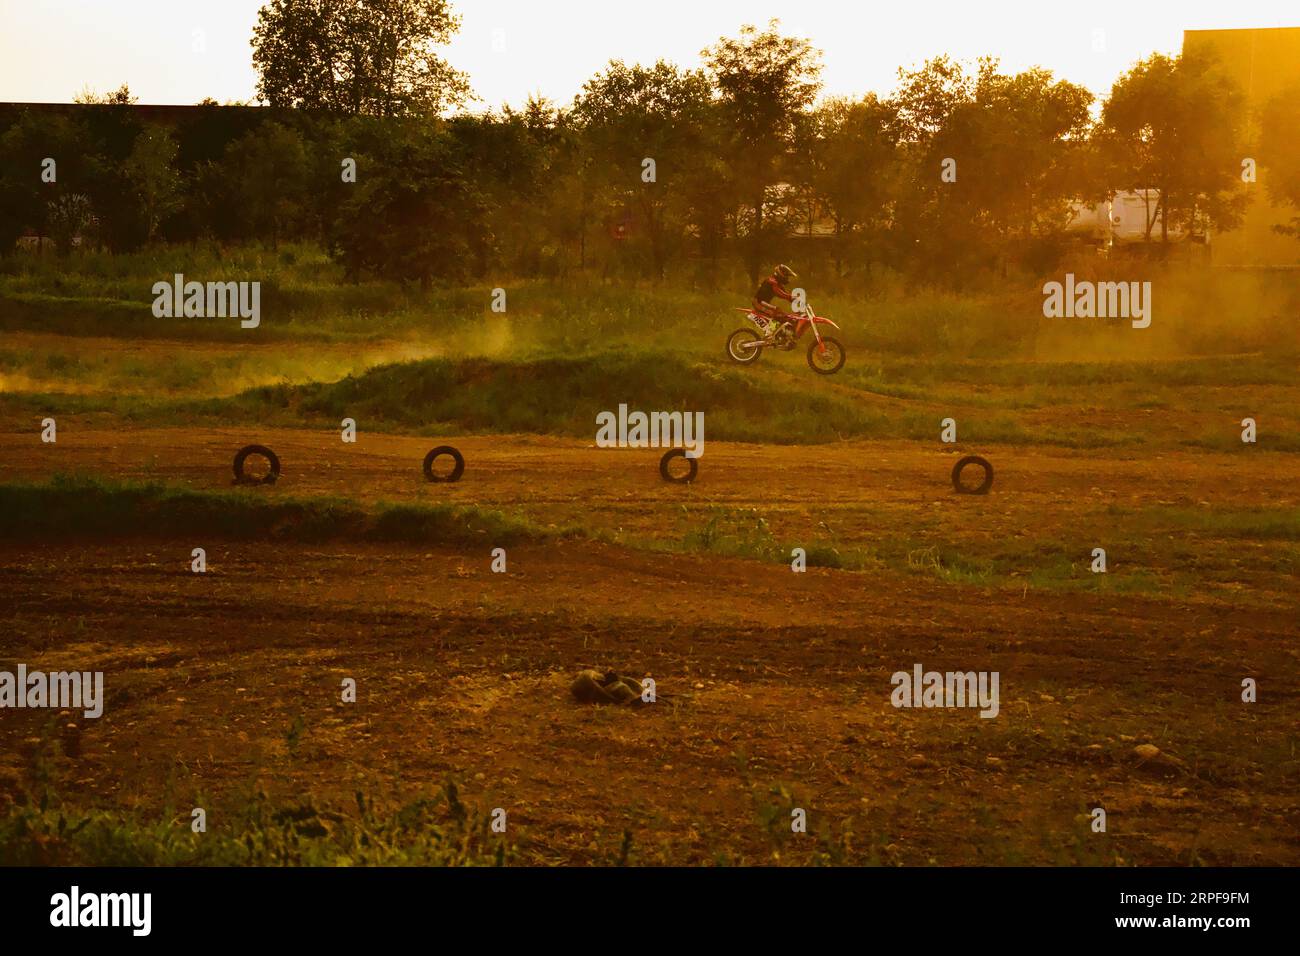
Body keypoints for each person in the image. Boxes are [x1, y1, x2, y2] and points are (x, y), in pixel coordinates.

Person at [752, 264, 801, 340]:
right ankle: (769, 333)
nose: (787, 278)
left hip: (764, 303)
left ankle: (780, 334)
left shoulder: (777, 283)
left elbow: (785, 294)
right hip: (759, 303)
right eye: (786, 276)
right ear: (781, 274)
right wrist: (792, 297)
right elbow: (780, 293)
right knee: (775, 313)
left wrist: (797, 303)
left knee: (783, 315)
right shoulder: (772, 281)